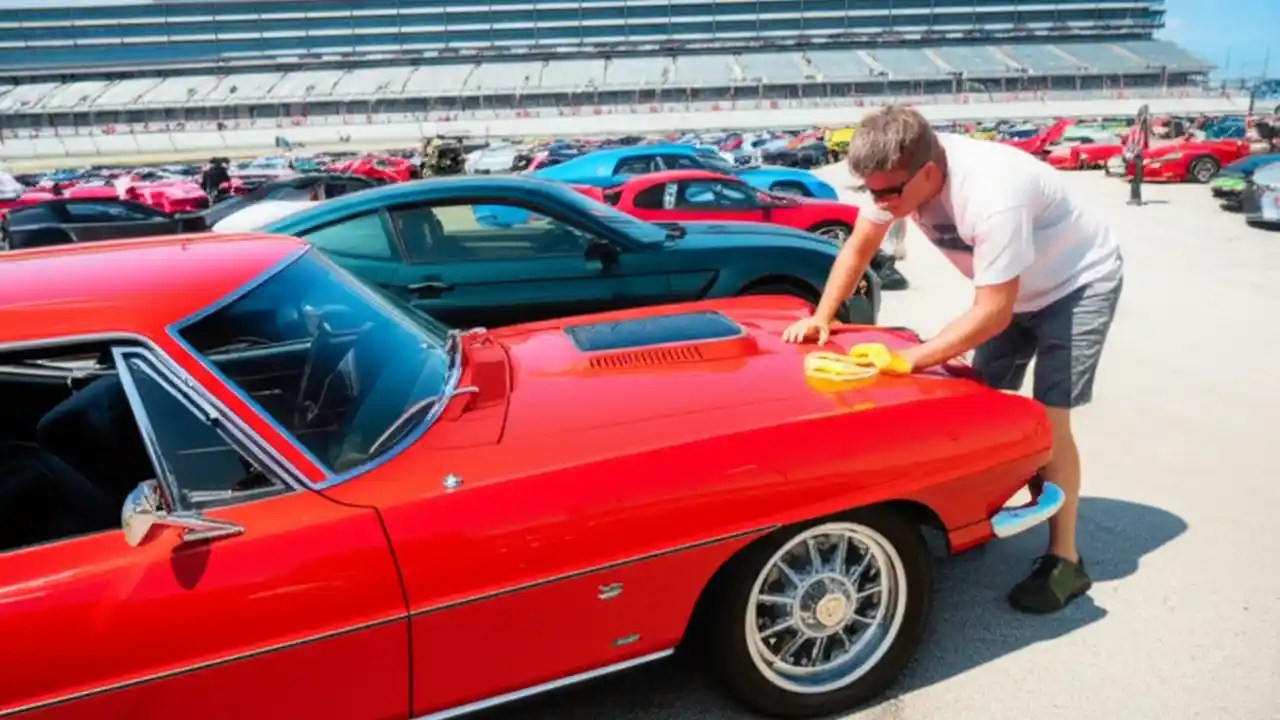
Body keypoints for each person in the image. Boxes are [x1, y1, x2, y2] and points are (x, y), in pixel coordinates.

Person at [781, 105, 1124, 614]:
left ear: (928, 173)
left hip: (1075, 287)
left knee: (1048, 421)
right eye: (870, 192)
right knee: (978, 401)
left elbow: (992, 312)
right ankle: (982, 513)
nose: (879, 203)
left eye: (889, 193)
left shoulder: (990, 194)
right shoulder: (894, 176)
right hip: (1012, 292)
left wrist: (911, 359)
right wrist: (822, 317)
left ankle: (1065, 560)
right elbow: (858, 246)